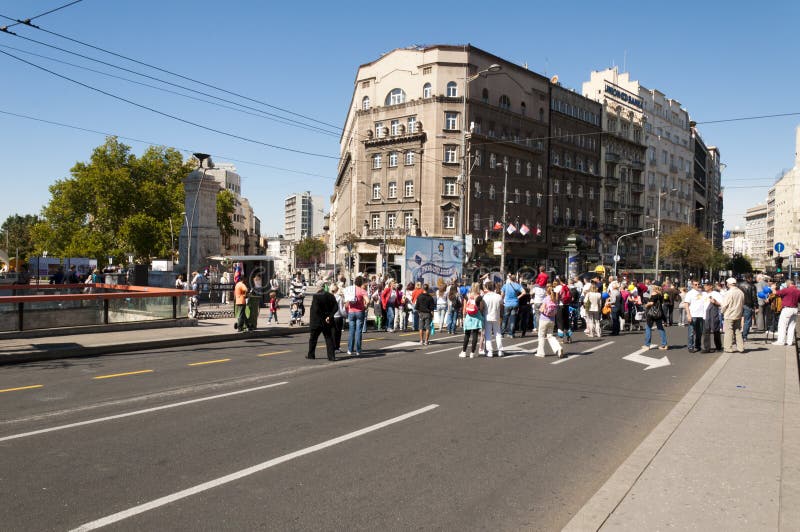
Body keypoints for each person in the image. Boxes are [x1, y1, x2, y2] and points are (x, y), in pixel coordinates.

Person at [307, 283, 338, 361]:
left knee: (313, 339)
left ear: (318, 288)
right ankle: (331, 356)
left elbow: (316, 310)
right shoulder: (330, 295)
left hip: (317, 321)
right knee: (328, 338)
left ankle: (311, 355)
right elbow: (336, 307)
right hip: (327, 321)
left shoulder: (316, 296)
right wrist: (329, 316)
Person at [459, 282, 485, 358]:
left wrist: (463, 317)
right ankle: (472, 353)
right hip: (476, 317)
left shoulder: (467, 296)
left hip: (468, 317)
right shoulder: (479, 297)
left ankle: (463, 351)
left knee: (467, 334)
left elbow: (464, 308)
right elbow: (481, 308)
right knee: (475, 334)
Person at [537, 286, 564, 357]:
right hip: (552, 320)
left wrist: (539, 309)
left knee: (541, 336)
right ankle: (558, 348)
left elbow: (542, 309)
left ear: (547, 292)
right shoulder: (555, 299)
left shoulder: (546, 299)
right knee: (550, 336)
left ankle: (541, 352)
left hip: (543, 319)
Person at [720, 277, 745, 353]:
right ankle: (741, 347)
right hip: (738, 313)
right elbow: (743, 303)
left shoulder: (729, 293)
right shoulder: (741, 292)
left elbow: (724, 304)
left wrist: (722, 311)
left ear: (729, 284)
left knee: (728, 331)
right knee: (737, 331)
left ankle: (728, 347)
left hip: (729, 314)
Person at [772, 279, 800, 346]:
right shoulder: (798, 291)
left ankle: (781, 341)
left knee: (782, 325)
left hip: (787, 309)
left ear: (788, 284)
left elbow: (776, 293)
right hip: (795, 309)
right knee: (792, 326)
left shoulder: (787, 290)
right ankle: (789, 342)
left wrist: (773, 288)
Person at [481, 281, 505, 357]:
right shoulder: (498, 296)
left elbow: (482, 307)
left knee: (488, 334)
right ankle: (500, 350)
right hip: (496, 316)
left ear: (487, 288)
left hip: (487, 316)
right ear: (494, 287)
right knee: (498, 334)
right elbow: (501, 306)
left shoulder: (485, 297)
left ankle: (490, 351)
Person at [346, 276, 369, 356]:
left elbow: (346, 302)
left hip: (351, 312)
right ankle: (358, 350)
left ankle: (350, 349)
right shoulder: (362, 291)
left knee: (351, 331)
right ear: (361, 283)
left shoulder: (349, 289)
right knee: (359, 331)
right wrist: (365, 306)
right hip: (360, 312)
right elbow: (368, 301)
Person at [642, 285, 668, 350]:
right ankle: (664, 344)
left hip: (651, 314)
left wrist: (646, 305)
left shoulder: (654, 294)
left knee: (648, 328)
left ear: (654, 287)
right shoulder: (661, 295)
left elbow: (651, 303)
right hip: (658, 314)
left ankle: (647, 345)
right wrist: (664, 319)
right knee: (660, 328)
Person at [701, 281, 723, 353]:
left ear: (710, 286)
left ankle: (718, 347)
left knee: (716, 331)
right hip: (705, 316)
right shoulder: (703, 294)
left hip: (713, 315)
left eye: (706, 285)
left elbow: (721, 303)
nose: (704, 287)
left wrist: (715, 302)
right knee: (706, 332)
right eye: (704, 285)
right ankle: (707, 348)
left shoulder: (716, 294)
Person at [685, 280, 704, 352]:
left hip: (701, 315)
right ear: (692, 285)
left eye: (698, 284)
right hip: (693, 315)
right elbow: (686, 304)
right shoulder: (690, 293)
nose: (697, 285)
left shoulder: (702, 293)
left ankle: (698, 345)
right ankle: (690, 346)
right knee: (691, 332)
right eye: (695, 284)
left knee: (699, 332)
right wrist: (688, 315)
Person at [330, 284, 345, 352]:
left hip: (331, 316)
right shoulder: (339, 297)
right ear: (337, 290)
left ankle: (332, 347)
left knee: (332, 333)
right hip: (338, 316)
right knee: (338, 333)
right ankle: (337, 347)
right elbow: (341, 309)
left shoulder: (328, 297)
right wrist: (345, 315)